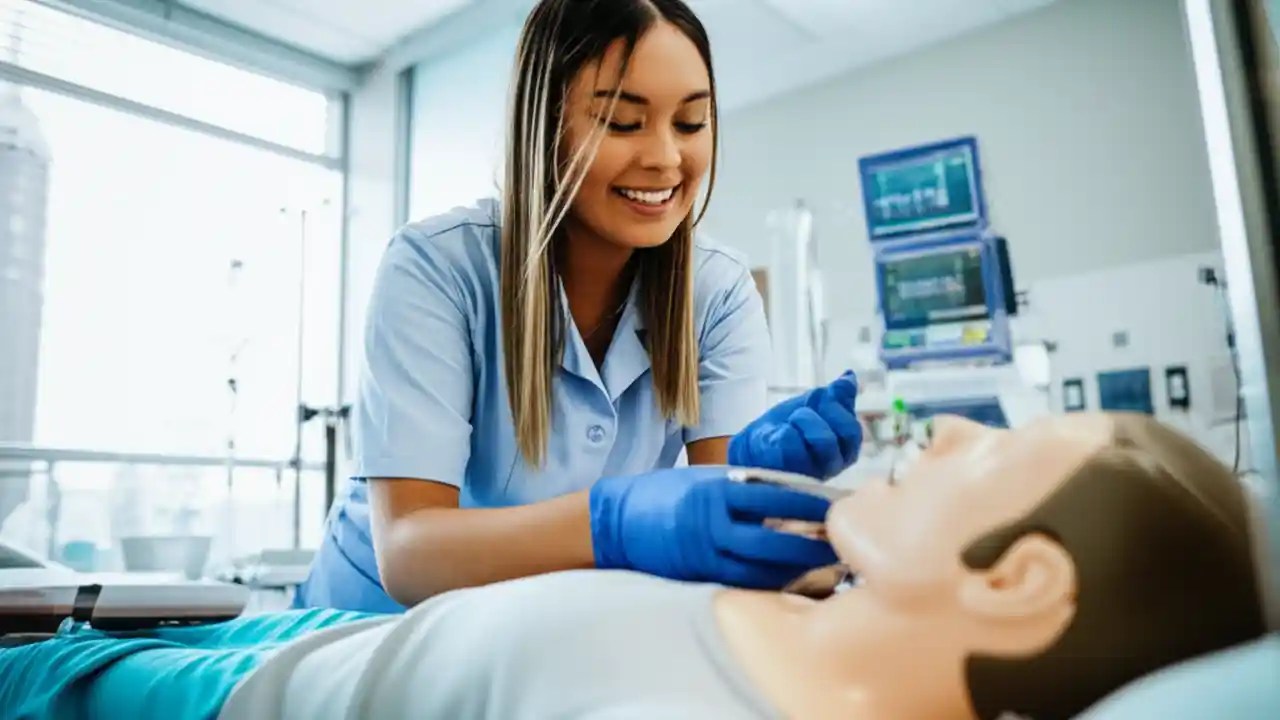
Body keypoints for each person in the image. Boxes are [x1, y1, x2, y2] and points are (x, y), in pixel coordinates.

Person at [1, 413, 1267, 720]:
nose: (941, 429)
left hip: (262, 699)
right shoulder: (818, 601)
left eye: (1000, 448)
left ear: (1017, 582)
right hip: (330, 630)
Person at [293, 0, 864, 614]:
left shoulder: (718, 294)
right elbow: (410, 555)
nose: (666, 157)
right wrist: (612, 523)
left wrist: (770, 502)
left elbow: (736, 552)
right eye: (622, 122)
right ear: (544, 127)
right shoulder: (437, 267)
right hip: (366, 624)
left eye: (691, 122)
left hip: (536, 629)